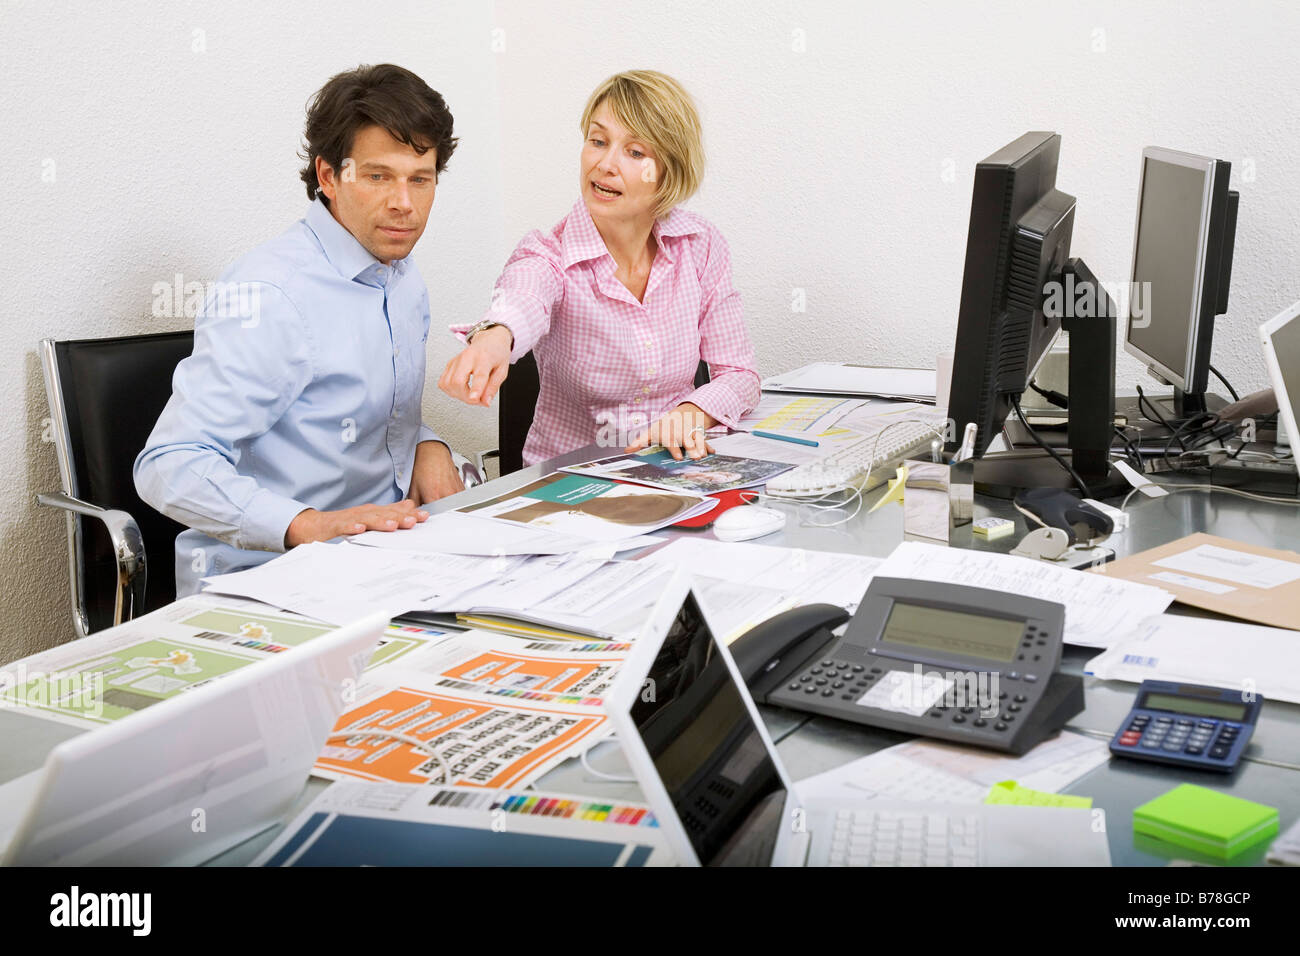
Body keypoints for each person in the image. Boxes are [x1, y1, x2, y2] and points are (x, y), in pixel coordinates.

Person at [135, 63, 464, 596]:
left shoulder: (400, 276)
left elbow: (370, 419)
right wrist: (309, 525)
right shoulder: (271, 295)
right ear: (330, 176)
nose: (405, 203)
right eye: (378, 176)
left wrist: (429, 445)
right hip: (269, 579)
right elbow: (168, 464)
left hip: (383, 560)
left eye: (420, 179)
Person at [439, 69, 760, 464]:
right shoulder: (549, 254)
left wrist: (692, 413)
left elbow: (740, 375)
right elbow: (523, 298)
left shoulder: (701, 246)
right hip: (572, 487)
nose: (605, 164)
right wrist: (494, 335)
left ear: (669, 171)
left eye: (635, 152)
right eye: (598, 141)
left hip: (676, 469)